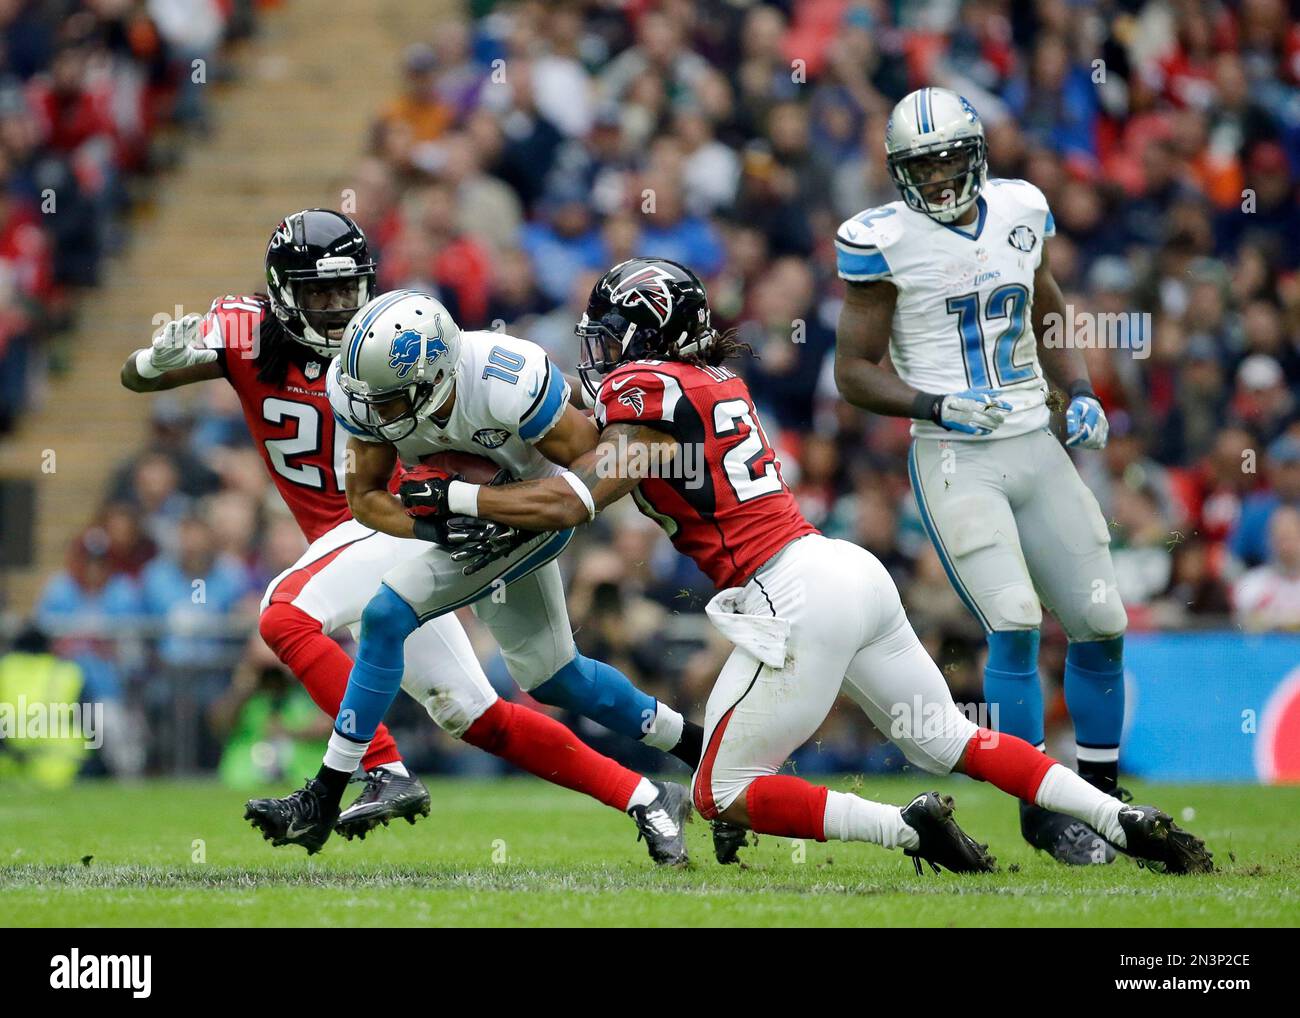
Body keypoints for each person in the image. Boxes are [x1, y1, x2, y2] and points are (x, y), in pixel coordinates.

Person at [413, 257, 1213, 876]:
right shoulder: (712, 377)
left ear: (642, 340)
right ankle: (1117, 818)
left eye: (608, 338)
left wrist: (456, 493)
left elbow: (577, 498)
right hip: (842, 569)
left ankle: (906, 827)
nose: (598, 357)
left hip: (790, 593)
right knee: (949, 738)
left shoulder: (644, 388)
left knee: (717, 789)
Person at [120, 210, 701, 862]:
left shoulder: (386, 344)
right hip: (383, 523)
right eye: (319, 293)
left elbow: (561, 448)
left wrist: (469, 503)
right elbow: (139, 377)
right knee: (479, 710)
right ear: (284, 293)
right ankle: (650, 794)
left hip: (409, 521)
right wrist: (153, 360)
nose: (338, 308)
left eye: (347, 290)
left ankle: (379, 769)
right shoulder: (245, 330)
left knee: (285, 614)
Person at [243, 285, 710, 862]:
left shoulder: (505, 379)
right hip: (462, 520)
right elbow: (365, 497)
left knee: (388, 614)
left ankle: (328, 790)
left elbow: (591, 473)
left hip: (532, 516)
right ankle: (691, 751)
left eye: (388, 401)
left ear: (436, 378)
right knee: (553, 678)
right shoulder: (368, 392)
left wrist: (466, 500)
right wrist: (432, 527)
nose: (372, 413)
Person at [832, 88, 1132, 865]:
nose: (938, 179)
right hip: (956, 455)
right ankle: (1041, 804)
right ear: (899, 171)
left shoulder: (1021, 210)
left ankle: (1102, 793)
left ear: (978, 155)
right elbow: (853, 372)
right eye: (921, 167)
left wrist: (1085, 391)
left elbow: (1048, 312)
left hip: (1036, 441)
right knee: (1016, 618)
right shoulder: (882, 242)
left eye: (949, 161)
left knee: (1103, 623)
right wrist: (937, 404)